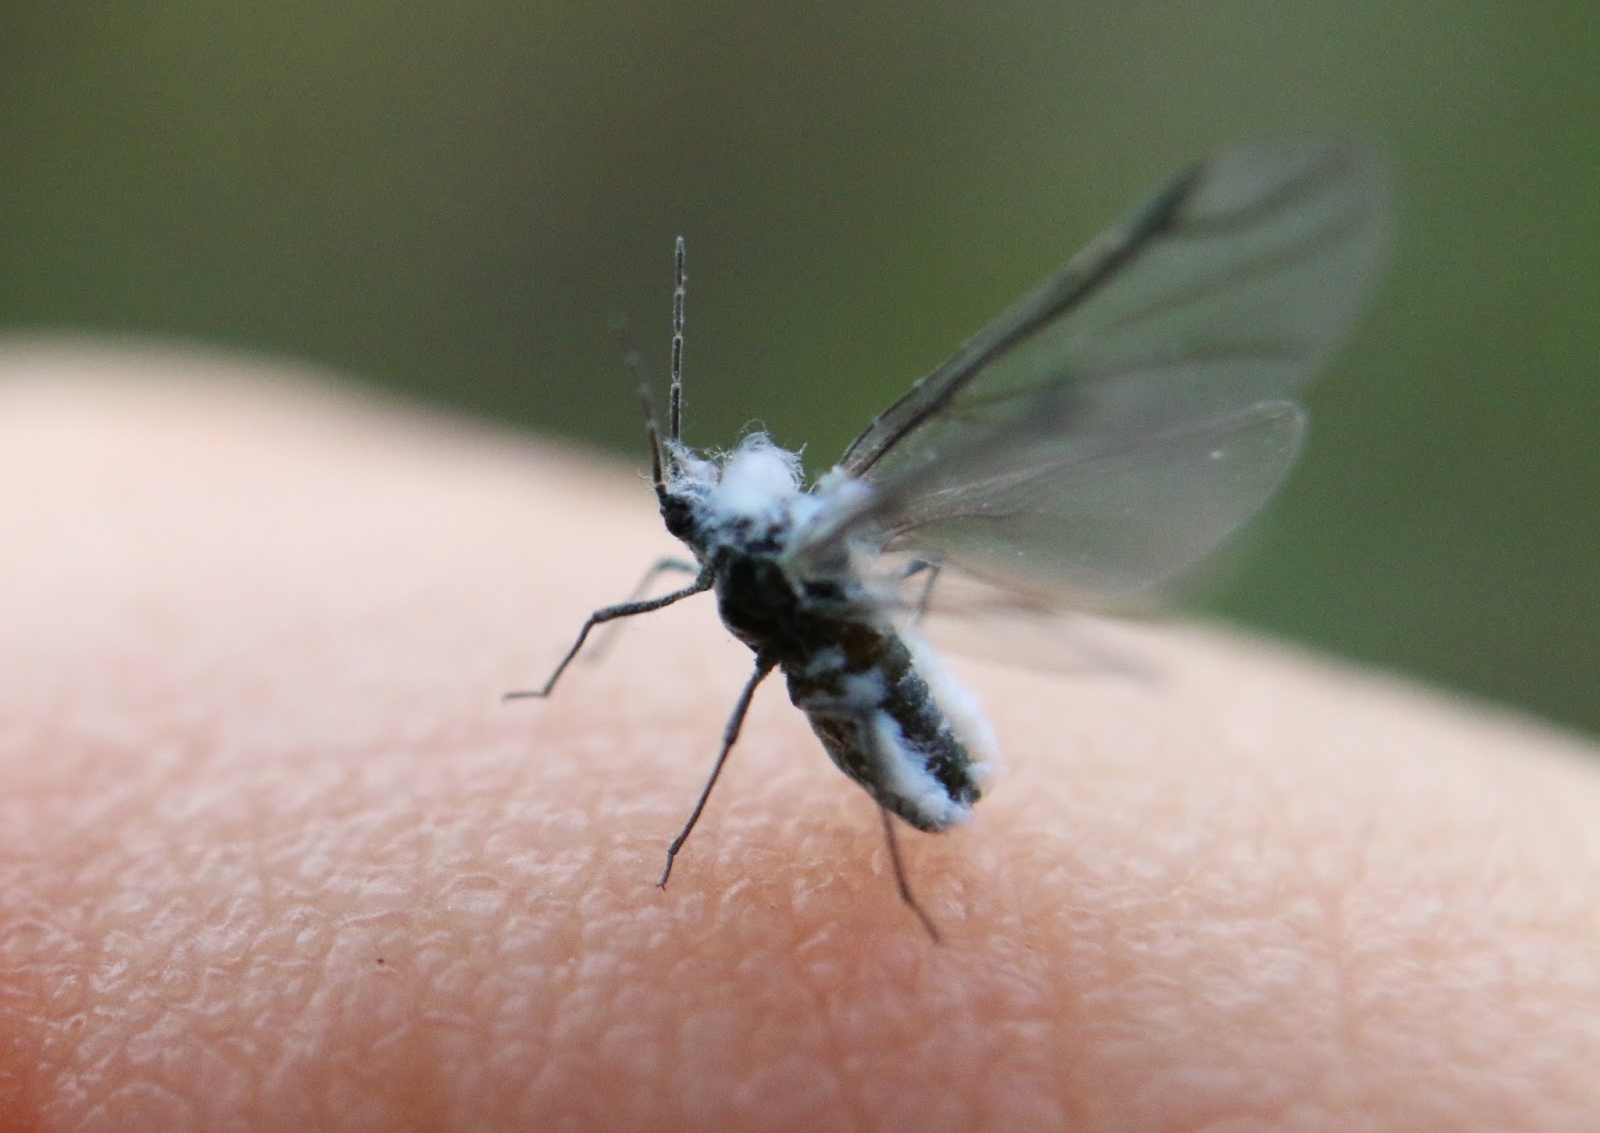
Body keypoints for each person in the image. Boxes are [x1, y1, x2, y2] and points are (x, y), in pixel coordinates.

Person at [3, 345, 1596, 1130]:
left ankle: (886, 866)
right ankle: (861, 853)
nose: (676, 509)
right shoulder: (724, 557)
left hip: (890, 712)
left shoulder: (793, 554)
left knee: (801, 696)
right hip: (859, 685)